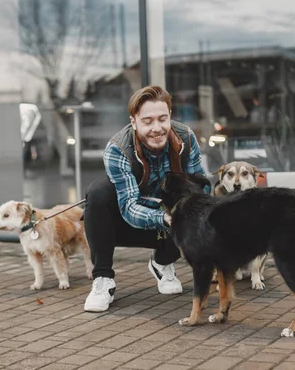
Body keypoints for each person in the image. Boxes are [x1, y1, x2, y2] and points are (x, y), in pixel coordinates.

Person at [83, 85, 209, 312]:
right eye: (147, 121)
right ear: (134, 122)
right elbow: (129, 207)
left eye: (162, 119)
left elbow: (200, 188)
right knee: (98, 193)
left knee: (193, 206)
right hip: (126, 221)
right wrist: (168, 218)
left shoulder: (186, 139)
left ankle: (162, 263)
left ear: (170, 116)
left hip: (169, 220)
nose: (157, 128)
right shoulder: (117, 149)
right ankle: (103, 279)